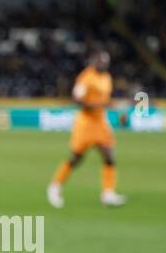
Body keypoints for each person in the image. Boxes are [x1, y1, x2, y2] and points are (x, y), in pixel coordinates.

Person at [48, 51, 125, 208]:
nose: (102, 65)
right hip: (86, 122)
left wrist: (115, 108)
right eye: (100, 62)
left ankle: (108, 193)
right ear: (94, 62)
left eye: (105, 62)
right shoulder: (85, 77)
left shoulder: (107, 78)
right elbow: (77, 100)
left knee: (109, 155)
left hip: (100, 122)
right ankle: (55, 186)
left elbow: (105, 100)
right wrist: (97, 105)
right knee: (76, 158)